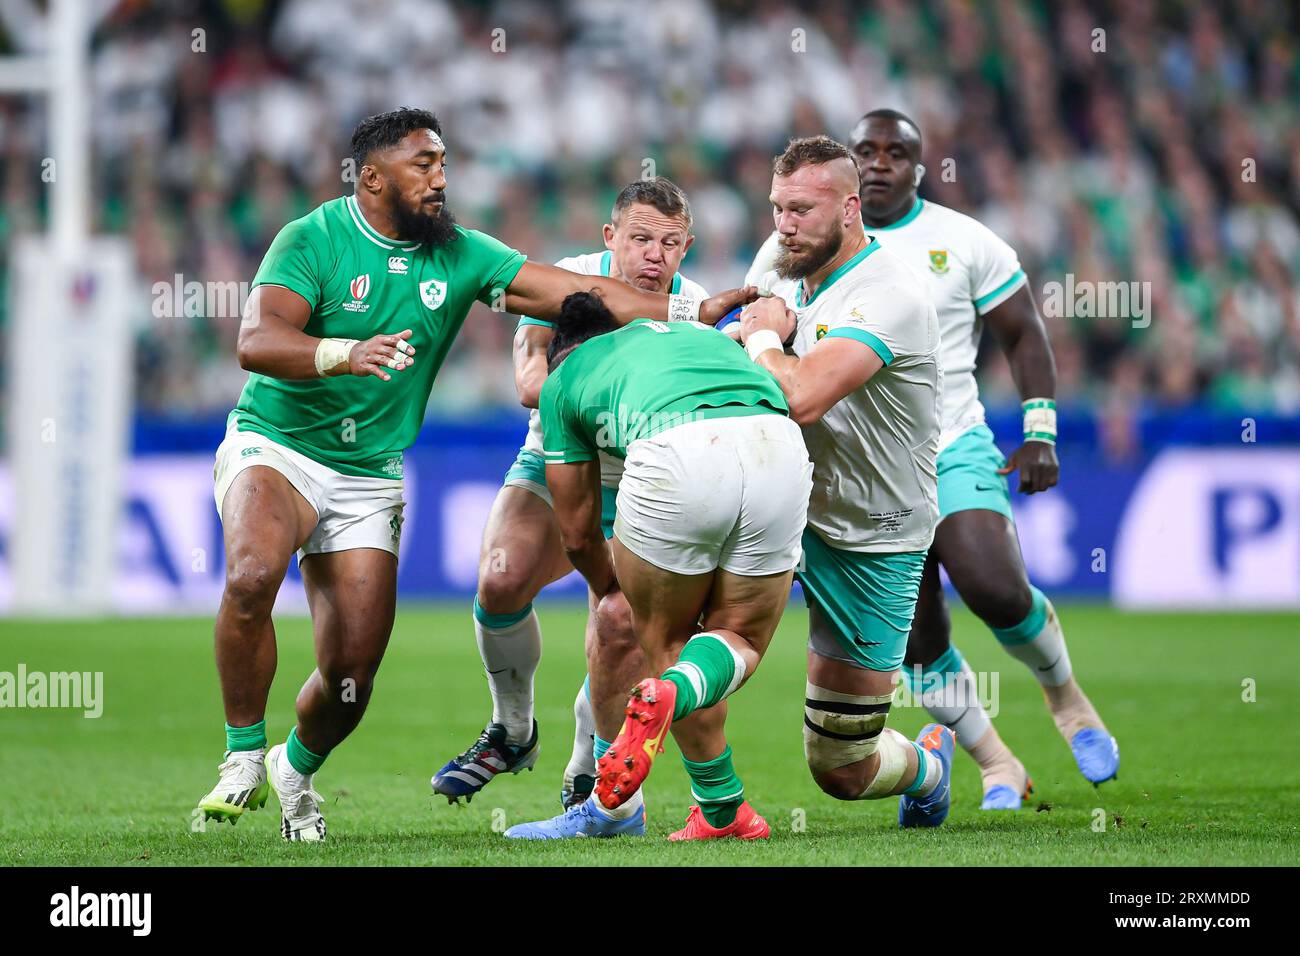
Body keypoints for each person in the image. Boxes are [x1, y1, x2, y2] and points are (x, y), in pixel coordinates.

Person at [194, 107, 751, 841]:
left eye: (444, 164)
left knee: (351, 675)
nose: (440, 178)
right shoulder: (312, 238)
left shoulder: (459, 254)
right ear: (371, 177)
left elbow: (576, 299)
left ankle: (293, 767)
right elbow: (258, 339)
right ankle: (240, 755)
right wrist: (344, 352)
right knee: (251, 573)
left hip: (370, 476)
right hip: (280, 444)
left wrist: (690, 310)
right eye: (422, 165)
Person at [749, 109, 1119, 807]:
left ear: (919, 167)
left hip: (948, 441)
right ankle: (995, 761)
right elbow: (760, 339)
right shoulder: (785, 250)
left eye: (898, 152)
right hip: (851, 475)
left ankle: (1066, 701)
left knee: (993, 585)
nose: (883, 160)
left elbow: (1023, 332)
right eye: (869, 149)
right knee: (920, 638)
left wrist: (1040, 426)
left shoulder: (961, 241)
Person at [431, 177, 709, 825]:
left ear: (686, 248)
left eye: (670, 243)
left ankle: (594, 765)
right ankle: (513, 728)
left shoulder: (693, 312)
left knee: (614, 630)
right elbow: (531, 382)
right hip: (559, 460)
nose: (653, 256)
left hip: (646, 478)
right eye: (640, 238)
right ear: (610, 237)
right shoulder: (568, 283)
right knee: (500, 580)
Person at [504, 291, 812, 840]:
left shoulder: (563, 380)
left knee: (664, 643)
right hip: (778, 441)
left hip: (678, 452)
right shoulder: (699, 336)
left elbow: (576, 533)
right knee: (737, 637)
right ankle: (722, 811)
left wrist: (613, 587)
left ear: (561, 352)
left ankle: (620, 787)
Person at [739, 135, 954, 827]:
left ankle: (927, 768)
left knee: (840, 767)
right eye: (777, 208)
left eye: (801, 209)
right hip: (783, 507)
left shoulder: (890, 292)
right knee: (654, 623)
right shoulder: (776, 261)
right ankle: (684, 802)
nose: (784, 225)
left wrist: (766, 336)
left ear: (851, 208)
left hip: (873, 533)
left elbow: (800, 394)